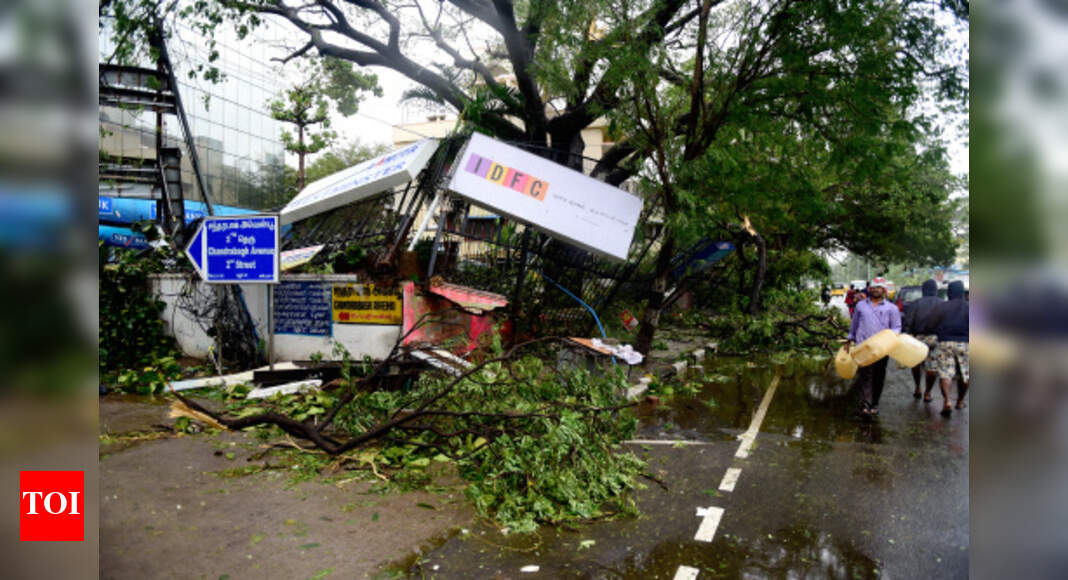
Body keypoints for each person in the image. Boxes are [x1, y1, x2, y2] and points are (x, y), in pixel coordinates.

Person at [846, 278, 901, 418]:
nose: (875, 289)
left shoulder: (892, 309)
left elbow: (896, 328)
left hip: (882, 349)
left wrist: (890, 338)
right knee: (865, 376)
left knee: (878, 376)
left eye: (879, 287)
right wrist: (849, 339)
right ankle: (865, 405)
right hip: (863, 348)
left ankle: (874, 403)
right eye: (873, 287)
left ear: (884, 290)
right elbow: (854, 324)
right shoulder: (860, 306)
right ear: (869, 289)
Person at [932, 280, 969, 417]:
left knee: (945, 372)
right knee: (965, 373)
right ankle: (960, 401)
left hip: (945, 342)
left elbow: (932, 323)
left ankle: (947, 401)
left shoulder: (942, 307)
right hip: (966, 343)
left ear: (949, 293)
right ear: (962, 293)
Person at [903, 279, 943, 401]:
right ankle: (928, 393)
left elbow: (908, 321)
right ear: (936, 290)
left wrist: (907, 335)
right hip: (935, 338)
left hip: (917, 338)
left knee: (916, 364)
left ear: (923, 290)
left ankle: (917, 388)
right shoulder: (942, 303)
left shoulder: (916, 303)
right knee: (932, 367)